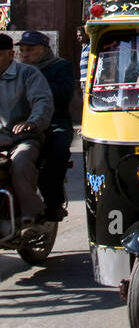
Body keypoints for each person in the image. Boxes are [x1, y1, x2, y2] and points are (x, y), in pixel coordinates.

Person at [17, 30, 77, 220]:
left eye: (30, 50)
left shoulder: (61, 66)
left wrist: (36, 84)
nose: (25, 54)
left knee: (57, 151)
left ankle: (53, 203)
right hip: (20, 123)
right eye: (23, 50)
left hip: (54, 121)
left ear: (43, 49)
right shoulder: (16, 71)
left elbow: (63, 94)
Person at [0, 31, 54, 224]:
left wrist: (32, 122)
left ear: (10, 55)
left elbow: (42, 102)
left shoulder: (28, 74)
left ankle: (30, 215)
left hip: (22, 139)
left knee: (21, 163)